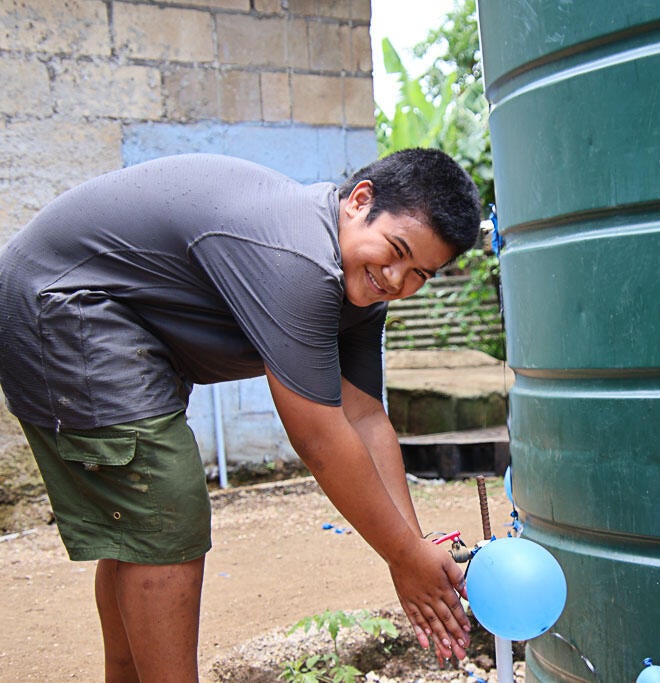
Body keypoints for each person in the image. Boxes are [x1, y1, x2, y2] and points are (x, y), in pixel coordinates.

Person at [0, 149, 482, 681]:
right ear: (360, 201)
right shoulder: (300, 260)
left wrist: (413, 550)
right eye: (395, 251)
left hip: (116, 316)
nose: (395, 279)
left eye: (419, 274)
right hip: (64, 300)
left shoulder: (360, 289)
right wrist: (404, 558)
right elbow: (320, 438)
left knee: (141, 527)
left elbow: (365, 417)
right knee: (164, 508)